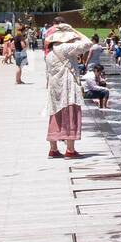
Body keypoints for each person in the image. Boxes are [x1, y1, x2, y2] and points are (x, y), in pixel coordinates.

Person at [43, 23, 92, 159]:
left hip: (54, 88)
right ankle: (70, 150)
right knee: (71, 115)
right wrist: (74, 29)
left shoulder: (50, 53)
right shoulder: (65, 48)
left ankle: (53, 149)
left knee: (55, 116)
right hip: (68, 86)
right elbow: (88, 44)